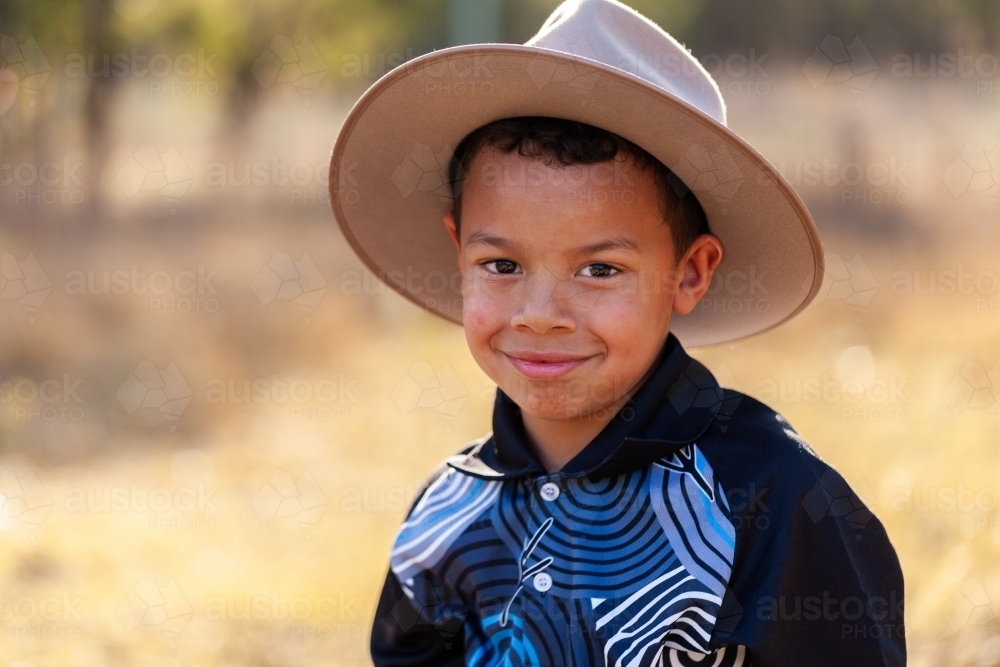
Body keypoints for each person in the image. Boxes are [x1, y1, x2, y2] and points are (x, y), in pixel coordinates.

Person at [326, 0, 905, 664]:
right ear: (459, 254)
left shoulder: (774, 500)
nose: (541, 312)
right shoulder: (448, 511)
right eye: (502, 264)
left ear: (690, 272)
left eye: (600, 268)